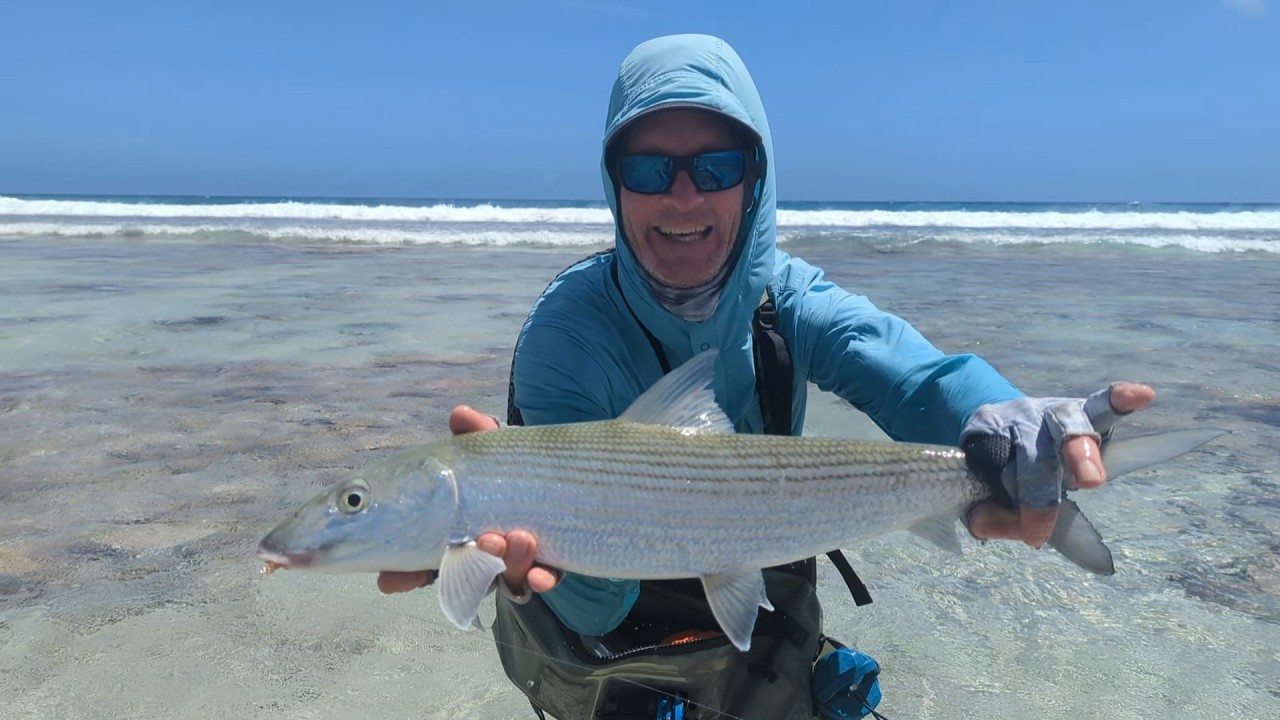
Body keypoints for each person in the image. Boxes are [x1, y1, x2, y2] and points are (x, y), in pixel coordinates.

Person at [379, 34, 1155, 720]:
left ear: (756, 178)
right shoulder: (565, 334)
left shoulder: (794, 303)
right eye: (650, 168)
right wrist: (540, 566)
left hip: (759, 548)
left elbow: (917, 380)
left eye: (715, 165)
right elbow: (597, 603)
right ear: (615, 184)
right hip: (600, 606)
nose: (683, 195)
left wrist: (1006, 432)